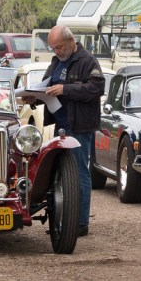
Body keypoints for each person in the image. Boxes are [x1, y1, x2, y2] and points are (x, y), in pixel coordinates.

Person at [24, 25, 105, 237]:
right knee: (63, 173)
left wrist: (65, 89)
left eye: (59, 47)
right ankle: (65, 218)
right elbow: (47, 88)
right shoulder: (55, 62)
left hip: (79, 126)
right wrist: (35, 97)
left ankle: (79, 223)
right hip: (60, 126)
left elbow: (97, 88)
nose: (57, 51)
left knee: (78, 173)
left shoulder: (87, 61)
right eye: (53, 48)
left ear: (71, 41)